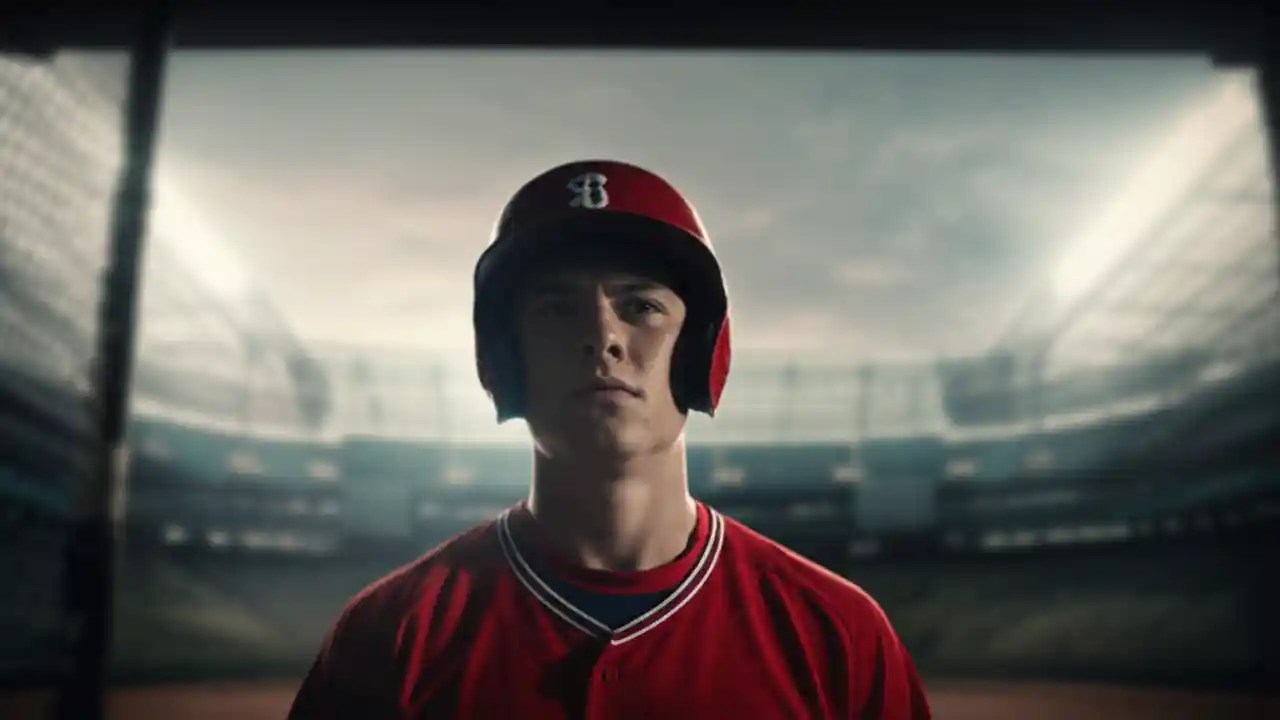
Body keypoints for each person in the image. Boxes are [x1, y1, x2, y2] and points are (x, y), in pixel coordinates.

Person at [287, 160, 932, 719]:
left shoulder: (838, 634)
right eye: (555, 309)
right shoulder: (389, 635)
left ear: (702, 353)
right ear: (502, 361)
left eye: (642, 306)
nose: (603, 337)